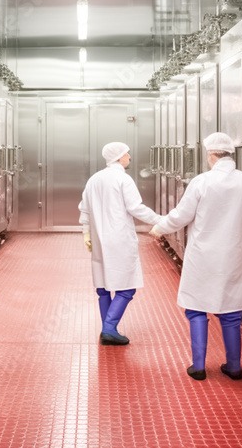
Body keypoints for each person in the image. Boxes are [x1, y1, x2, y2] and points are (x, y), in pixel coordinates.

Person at [150, 132, 242, 380]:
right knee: (230, 314)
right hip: (233, 257)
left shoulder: (202, 182)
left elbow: (181, 215)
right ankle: (234, 367)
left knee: (196, 309)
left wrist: (159, 227)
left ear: (212, 155)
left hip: (203, 257)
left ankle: (198, 367)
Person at [79, 141, 161, 346]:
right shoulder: (123, 179)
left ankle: (108, 328)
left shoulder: (94, 179)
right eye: (127, 154)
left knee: (103, 286)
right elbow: (136, 208)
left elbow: (85, 209)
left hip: (99, 239)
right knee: (127, 286)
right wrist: (161, 220)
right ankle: (109, 328)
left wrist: (86, 233)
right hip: (119, 239)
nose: (129, 157)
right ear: (119, 157)